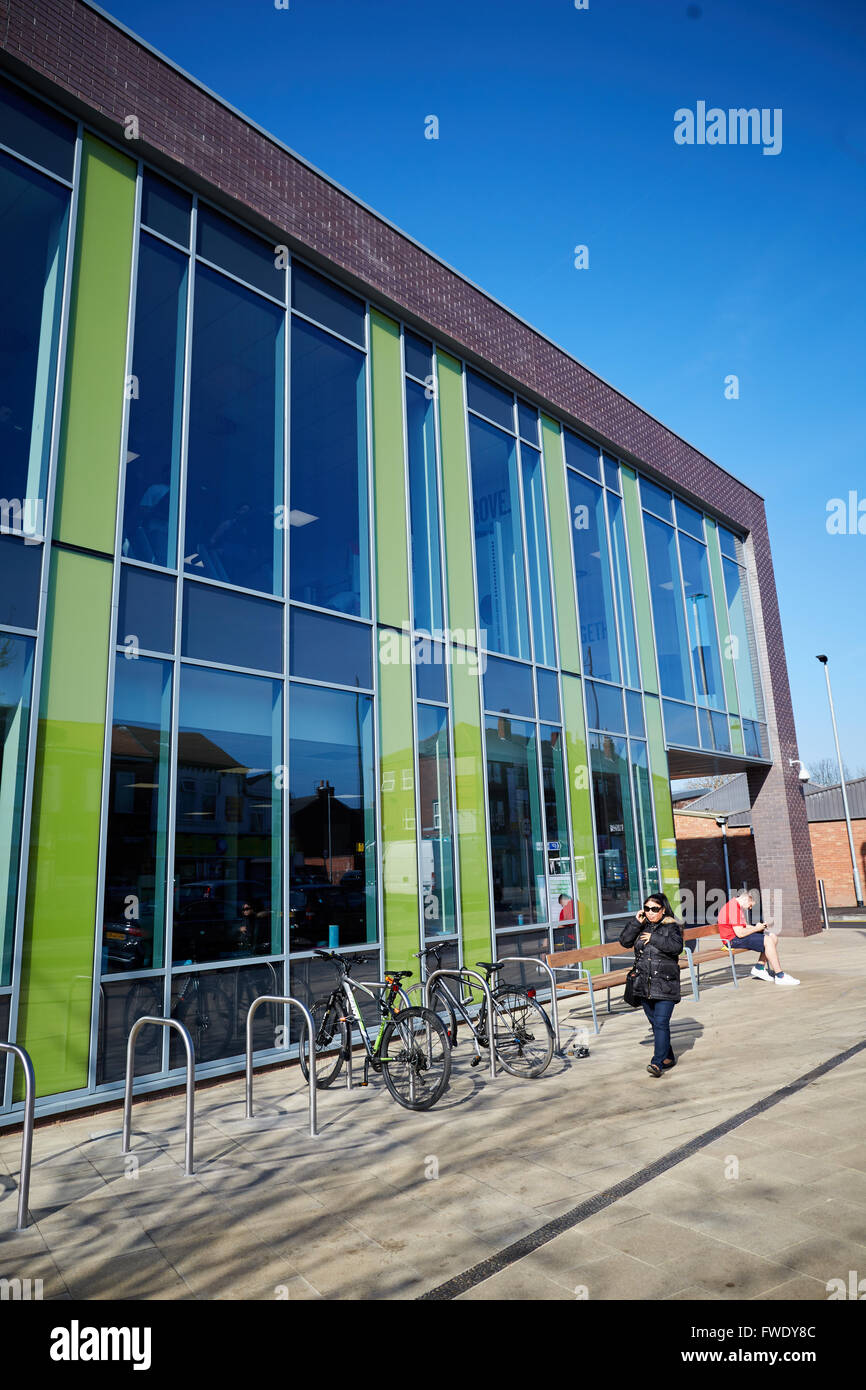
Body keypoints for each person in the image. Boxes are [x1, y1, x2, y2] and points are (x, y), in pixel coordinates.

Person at [620, 894, 683, 1077]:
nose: (650, 913)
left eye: (654, 909)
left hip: (665, 985)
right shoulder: (642, 925)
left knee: (661, 1022)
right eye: (647, 908)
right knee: (657, 1024)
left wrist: (654, 938)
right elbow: (624, 941)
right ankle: (668, 1057)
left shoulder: (672, 927)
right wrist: (635, 923)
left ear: (663, 910)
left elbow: (676, 947)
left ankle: (657, 1063)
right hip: (644, 986)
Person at [717, 889, 799, 986]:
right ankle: (780, 976)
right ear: (748, 899)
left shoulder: (736, 906)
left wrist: (760, 928)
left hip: (736, 937)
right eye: (751, 905)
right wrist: (756, 929)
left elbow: (744, 926)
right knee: (767, 940)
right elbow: (740, 933)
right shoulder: (733, 908)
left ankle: (759, 968)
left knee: (772, 937)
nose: (750, 908)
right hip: (731, 941)